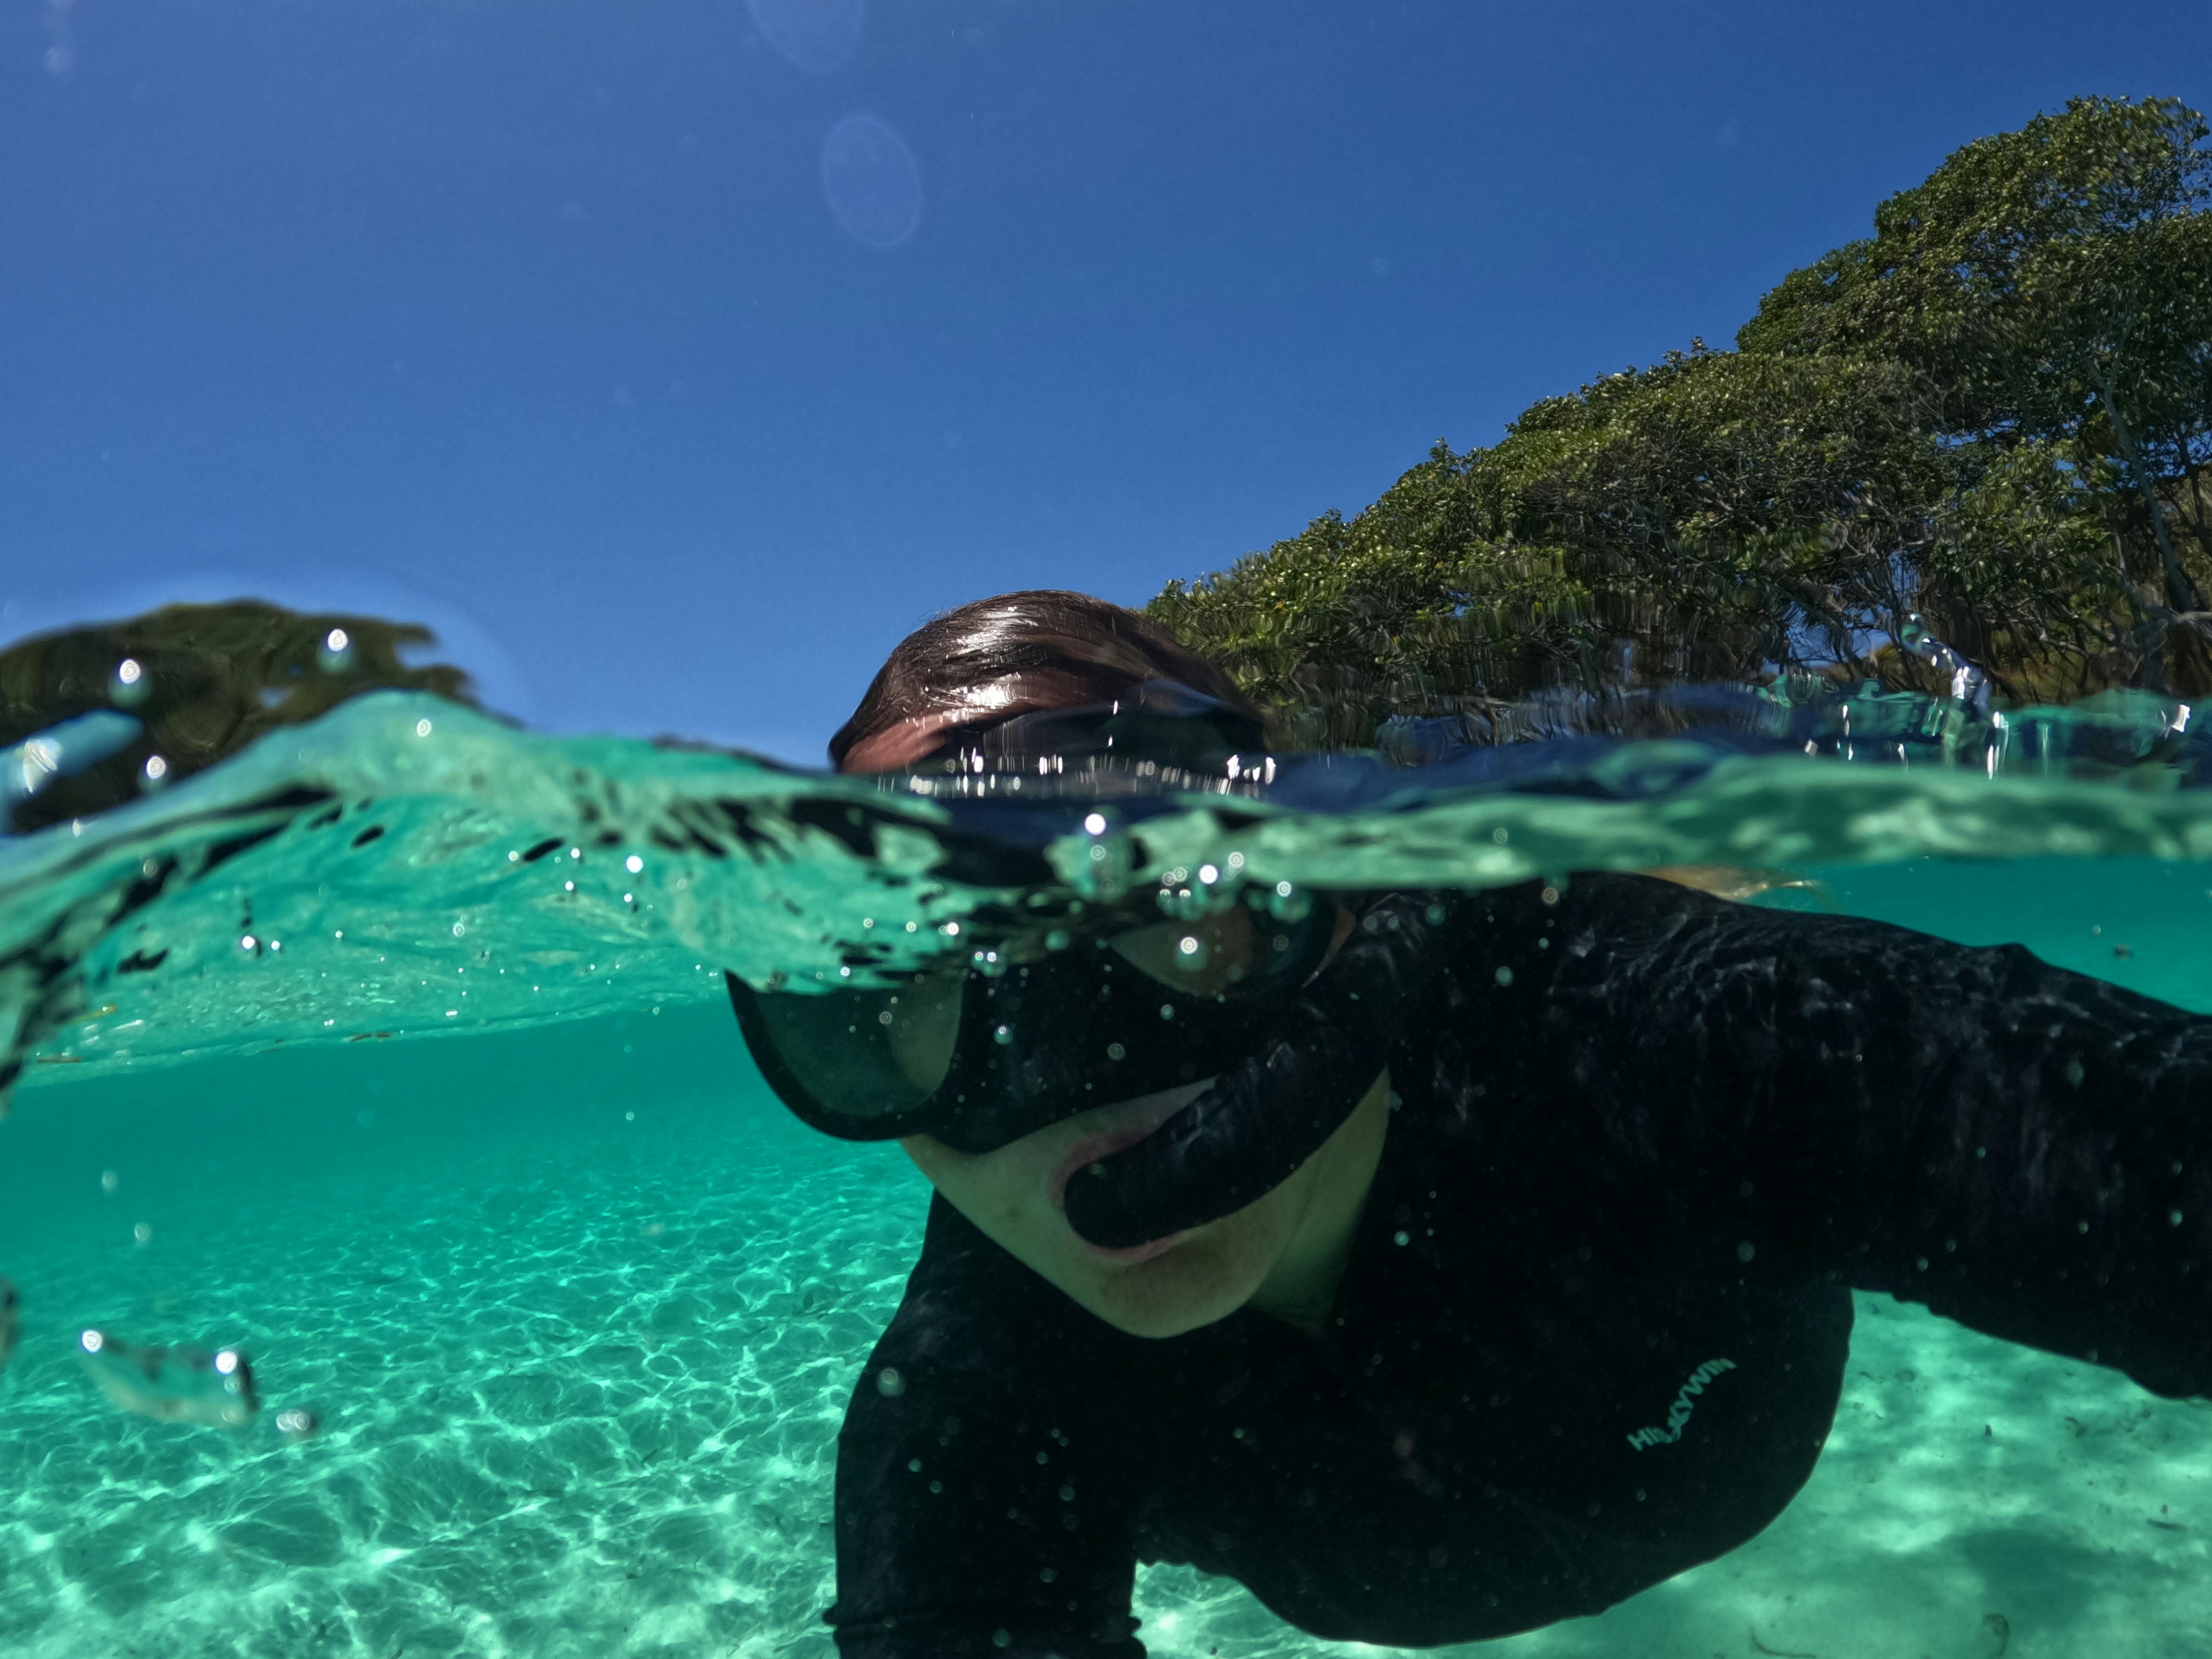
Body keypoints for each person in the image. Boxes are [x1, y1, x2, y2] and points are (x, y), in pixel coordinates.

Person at [731, 591, 2212, 1659]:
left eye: (1148, 904)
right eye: (900, 993)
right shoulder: (981, 1401)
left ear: (1312, 879)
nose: (1060, 1081)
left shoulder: (1646, 1029)